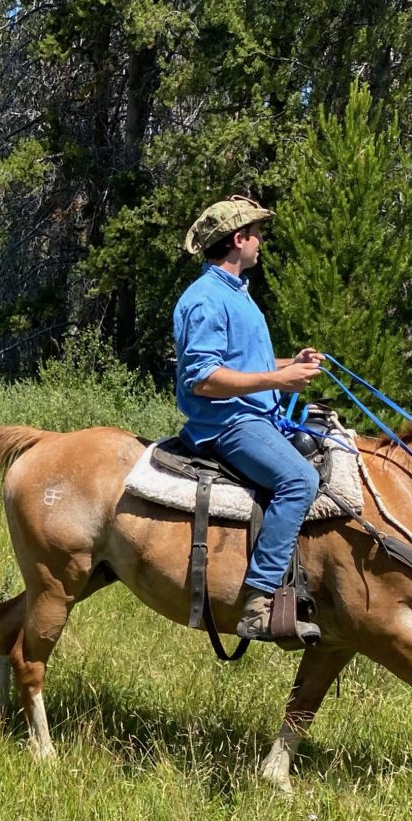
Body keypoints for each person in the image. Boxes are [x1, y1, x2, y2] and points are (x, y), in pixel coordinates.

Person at [172, 196, 325, 640]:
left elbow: (242, 362)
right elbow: (203, 379)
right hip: (226, 424)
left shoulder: (234, 294)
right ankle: (258, 603)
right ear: (238, 240)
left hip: (253, 416)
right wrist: (280, 381)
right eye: (256, 235)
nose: (260, 243)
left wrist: (286, 365)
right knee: (299, 481)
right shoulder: (205, 300)